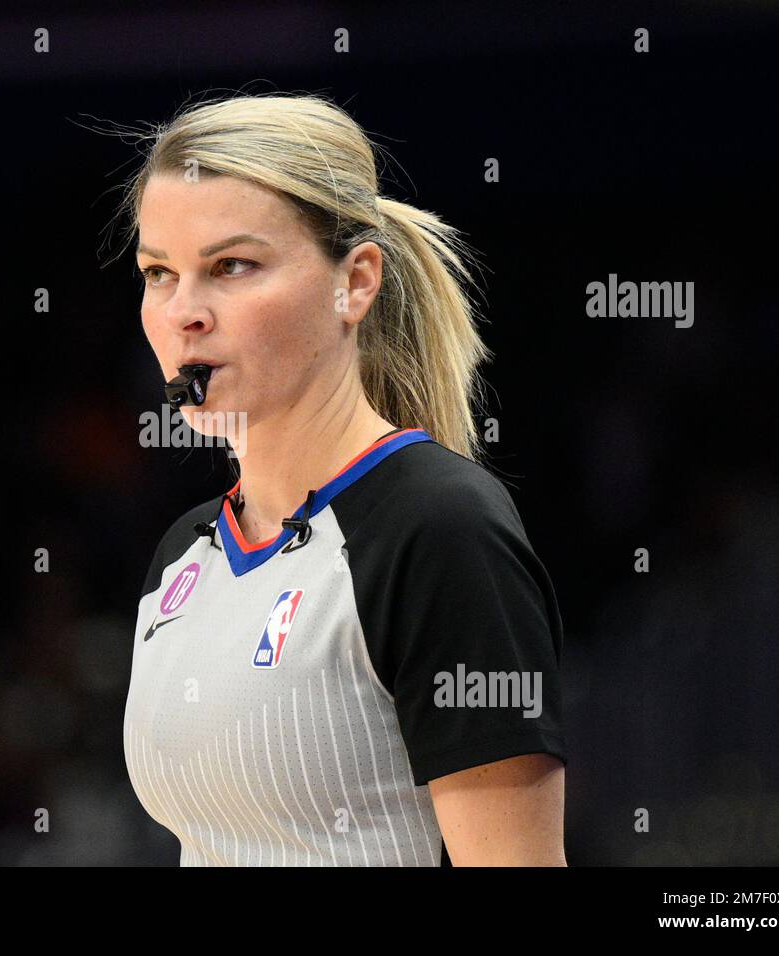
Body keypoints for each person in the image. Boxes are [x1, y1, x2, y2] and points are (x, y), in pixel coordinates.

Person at [114, 92, 568, 866]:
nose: (184, 312)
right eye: (160, 272)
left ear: (355, 282)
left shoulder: (438, 527)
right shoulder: (183, 556)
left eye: (231, 266)